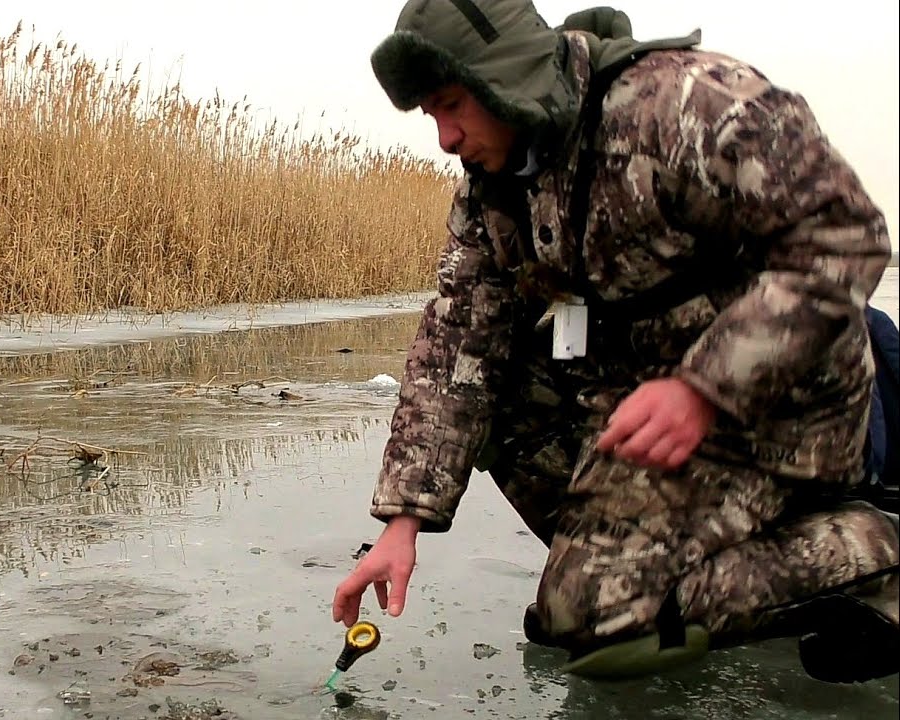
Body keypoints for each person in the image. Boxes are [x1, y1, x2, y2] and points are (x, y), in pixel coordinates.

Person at [332, 0, 899, 682]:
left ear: (504, 78)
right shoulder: (495, 191)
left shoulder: (686, 106)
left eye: (452, 105)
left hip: (785, 411)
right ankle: (646, 556)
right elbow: (458, 340)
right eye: (431, 116)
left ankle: (874, 545)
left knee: (589, 620)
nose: (446, 137)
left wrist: (702, 389)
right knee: (496, 382)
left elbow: (844, 236)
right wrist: (403, 523)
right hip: (649, 408)